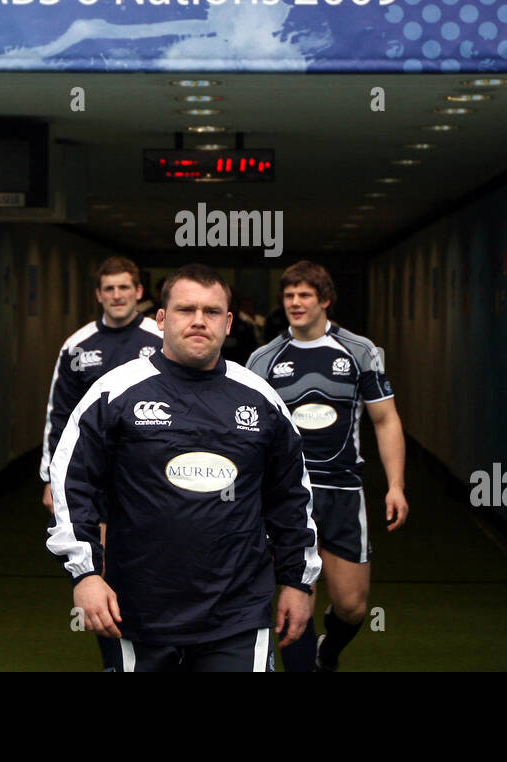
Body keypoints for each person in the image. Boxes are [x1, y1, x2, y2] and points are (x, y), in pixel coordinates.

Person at [47, 263, 321, 671]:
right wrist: (85, 574)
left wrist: (298, 582)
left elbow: (291, 496)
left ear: (228, 323)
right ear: (160, 318)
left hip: (237, 611)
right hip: (137, 608)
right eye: (184, 309)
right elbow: (73, 482)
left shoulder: (261, 398)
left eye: (211, 312)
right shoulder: (114, 393)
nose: (198, 321)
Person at [247, 260, 409, 671]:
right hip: (287, 497)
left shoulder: (360, 351)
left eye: (304, 295)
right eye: (288, 296)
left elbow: (385, 419)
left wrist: (395, 486)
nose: (295, 303)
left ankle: (328, 652)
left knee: (353, 606)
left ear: (325, 300)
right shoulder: (263, 359)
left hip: (343, 493)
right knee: (294, 598)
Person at [39, 255, 162, 670]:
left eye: (124, 287)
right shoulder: (77, 347)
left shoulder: (160, 337)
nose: (116, 295)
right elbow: (59, 415)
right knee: (104, 574)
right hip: (97, 480)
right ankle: (116, 661)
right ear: (98, 295)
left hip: (152, 479)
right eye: (108, 288)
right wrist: (50, 479)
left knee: (155, 570)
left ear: (139, 291)